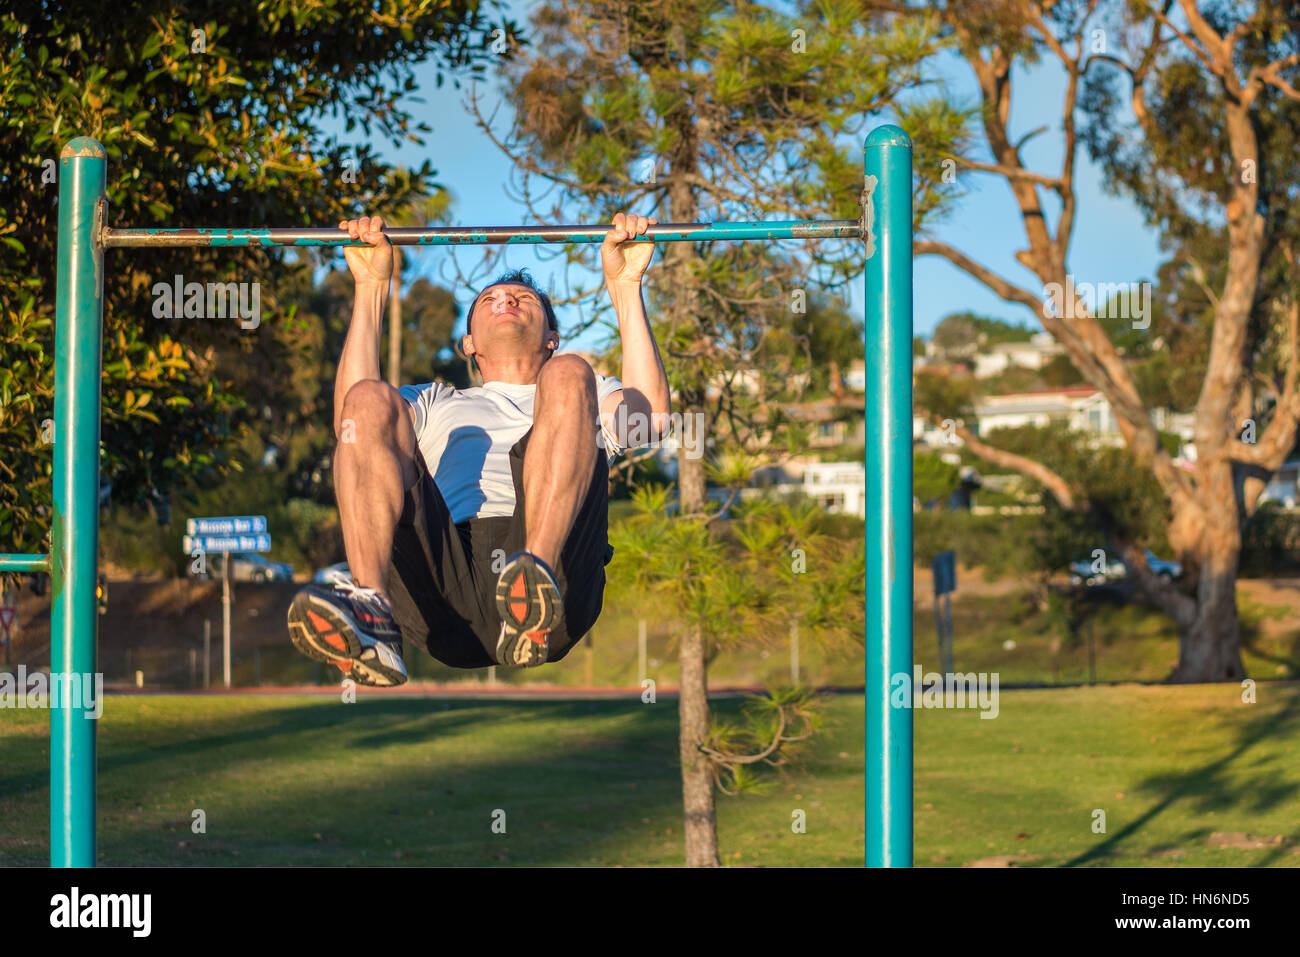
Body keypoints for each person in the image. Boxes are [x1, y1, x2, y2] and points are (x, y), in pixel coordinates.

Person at [287, 212, 671, 686]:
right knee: (367, 399)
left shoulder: (581, 387)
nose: (505, 298)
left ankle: (534, 587)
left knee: (570, 374)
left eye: (523, 298)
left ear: (552, 337)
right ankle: (372, 612)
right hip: (445, 594)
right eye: (489, 299)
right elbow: (352, 426)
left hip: (559, 586)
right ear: (469, 343)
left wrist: (626, 285)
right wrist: (370, 287)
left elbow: (649, 422)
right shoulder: (434, 402)